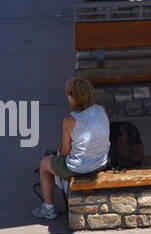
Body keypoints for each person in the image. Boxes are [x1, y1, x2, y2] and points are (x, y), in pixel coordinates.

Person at [32, 77, 110, 220]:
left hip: (79, 167)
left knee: (44, 163)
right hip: (102, 162)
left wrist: (59, 153)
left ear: (73, 98)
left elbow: (66, 151)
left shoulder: (70, 119)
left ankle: (48, 208)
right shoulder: (101, 109)